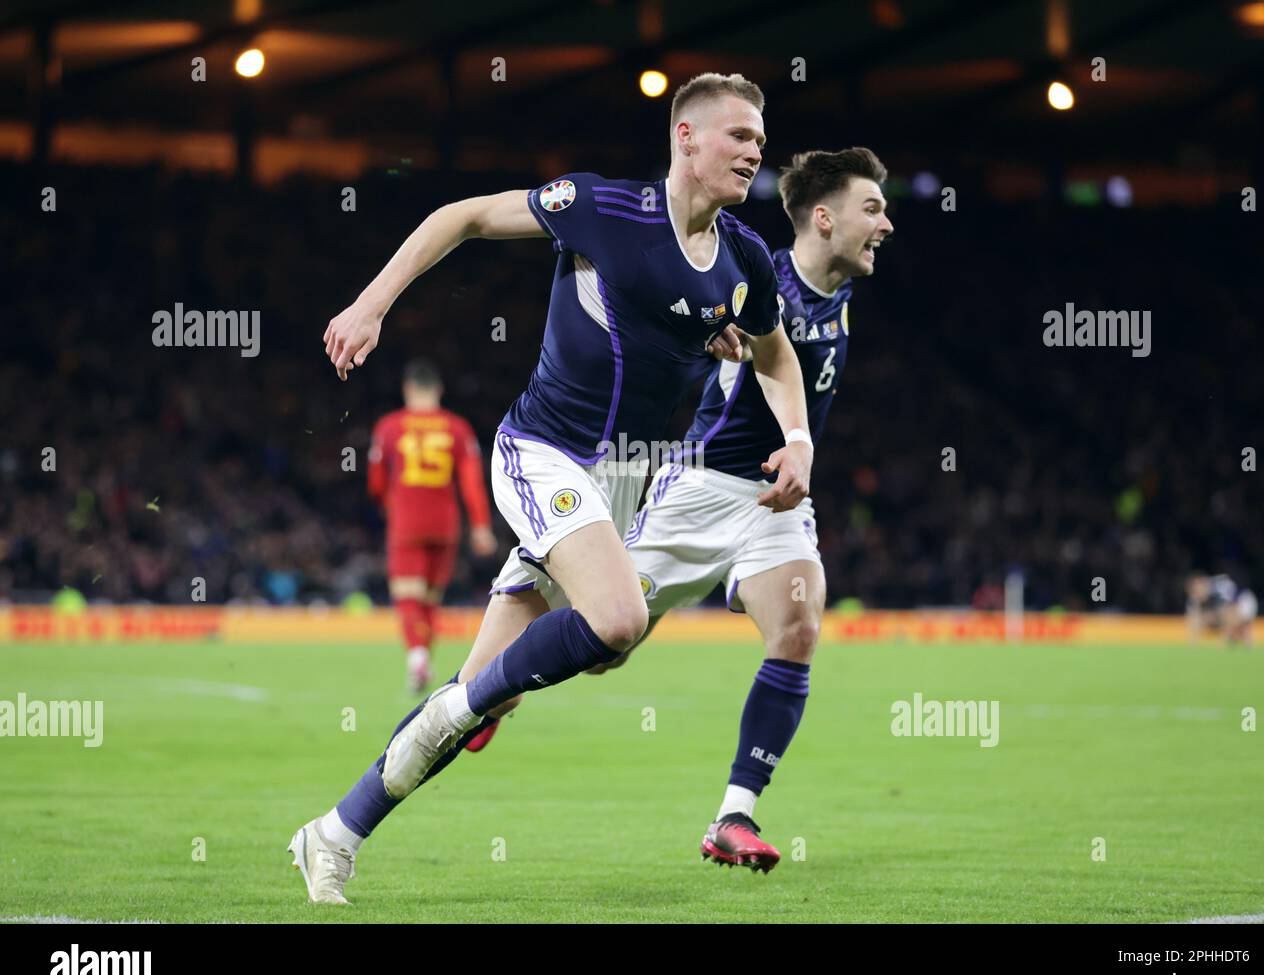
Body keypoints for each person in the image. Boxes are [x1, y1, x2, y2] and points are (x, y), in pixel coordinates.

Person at [290, 72, 813, 903]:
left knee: (486, 706)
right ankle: (460, 707)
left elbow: (777, 353)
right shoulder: (603, 208)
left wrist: (797, 439)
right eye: (738, 135)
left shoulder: (744, 258)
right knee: (615, 619)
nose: (755, 150)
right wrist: (370, 305)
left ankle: (333, 832)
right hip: (541, 454)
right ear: (685, 138)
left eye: (759, 138)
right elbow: (458, 217)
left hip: (623, 484)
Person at [475, 148, 894, 874]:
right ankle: (490, 687)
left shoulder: (838, 296)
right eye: (873, 208)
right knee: (606, 644)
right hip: (692, 489)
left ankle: (735, 814)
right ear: (823, 219)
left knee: (798, 624)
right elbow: (687, 324)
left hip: (772, 497)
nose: (885, 223)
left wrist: (797, 446)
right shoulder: (755, 280)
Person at [367, 359, 497, 692]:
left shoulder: (389, 427)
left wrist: (388, 505)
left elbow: (376, 482)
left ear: (408, 389)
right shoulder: (457, 428)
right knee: (430, 599)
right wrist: (481, 526)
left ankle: (417, 658)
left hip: (407, 520)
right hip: (445, 523)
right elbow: (471, 483)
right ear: (438, 390)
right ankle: (424, 656)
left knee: (407, 596)